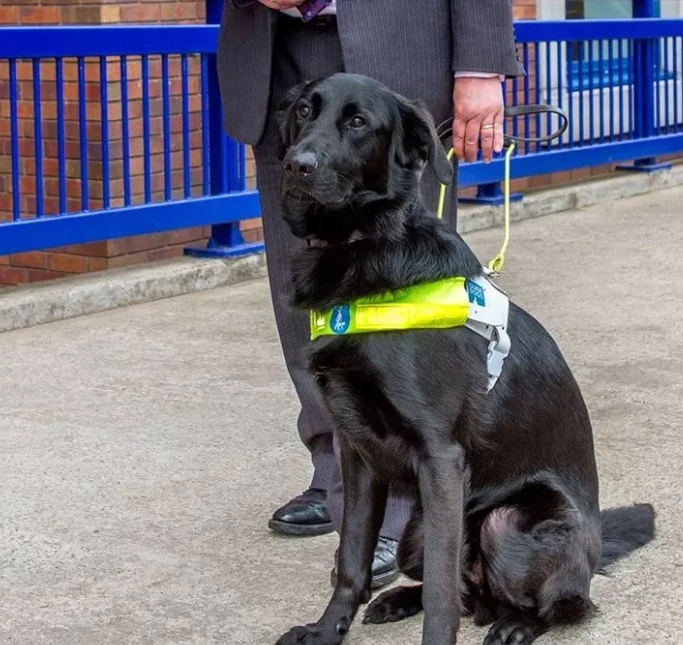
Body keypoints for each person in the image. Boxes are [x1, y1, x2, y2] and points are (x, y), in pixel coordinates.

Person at [216, 0, 521, 587]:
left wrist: (481, 62)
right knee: (304, 284)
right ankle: (334, 472)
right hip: (278, 48)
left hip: (400, 45)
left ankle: (405, 505)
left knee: (407, 293)